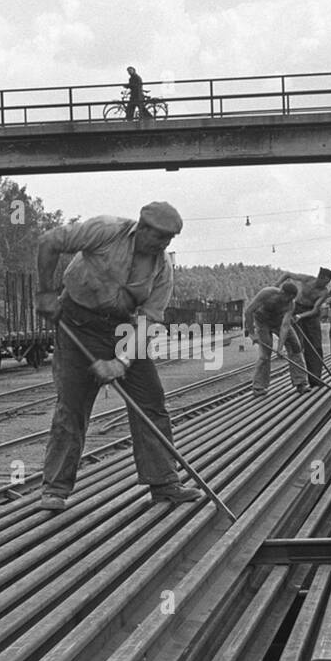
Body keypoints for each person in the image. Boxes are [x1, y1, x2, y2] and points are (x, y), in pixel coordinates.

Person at [35, 202, 201, 512]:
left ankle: (164, 483)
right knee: (71, 406)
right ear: (143, 227)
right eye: (159, 237)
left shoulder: (162, 269)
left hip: (123, 330)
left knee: (150, 400)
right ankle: (55, 488)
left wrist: (122, 361)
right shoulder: (106, 230)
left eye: (169, 240)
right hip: (76, 324)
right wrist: (45, 292)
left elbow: (149, 320)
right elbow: (50, 242)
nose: (163, 245)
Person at [244, 280, 309, 397]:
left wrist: (280, 348)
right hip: (262, 322)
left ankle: (301, 383)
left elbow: (285, 326)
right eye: (288, 298)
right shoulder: (266, 293)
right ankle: (259, 386)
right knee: (265, 354)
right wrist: (252, 334)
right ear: (282, 292)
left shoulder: (291, 304)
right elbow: (249, 311)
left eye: (292, 298)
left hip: (279, 322)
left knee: (296, 347)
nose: (290, 301)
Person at [280, 267, 331, 387]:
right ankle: (299, 381)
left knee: (315, 345)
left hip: (311, 315)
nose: (326, 284)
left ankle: (315, 379)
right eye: (325, 281)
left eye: (328, 282)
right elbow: (288, 274)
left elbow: (315, 309)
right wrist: (276, 286)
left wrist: (301, 316)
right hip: (297, 308)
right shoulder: (307, 279)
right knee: (296, 345)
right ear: (320, 277)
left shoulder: (324, 292)